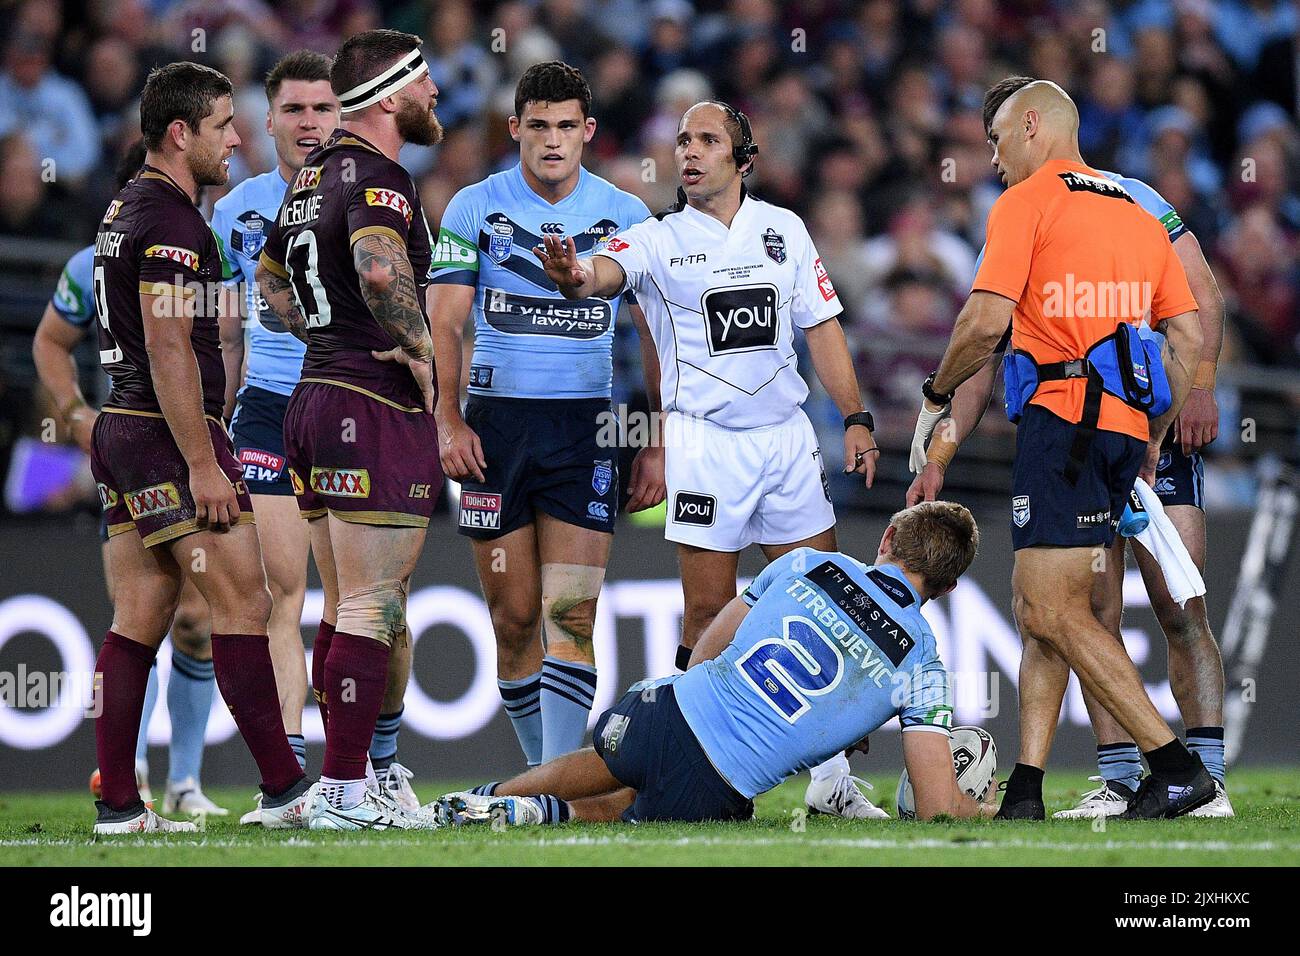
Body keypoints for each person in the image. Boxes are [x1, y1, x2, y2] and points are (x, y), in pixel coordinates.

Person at [534, 101, 887, 819]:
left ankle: (832, 785)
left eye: (706, 140)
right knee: (705, 610)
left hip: (786, 440)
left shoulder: (783, 230)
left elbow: (822, 331)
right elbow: (601, 275)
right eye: (682, 141)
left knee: (819, 604)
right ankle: (683, 766)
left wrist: (854, 417)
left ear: (742, 159)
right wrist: (573, 276)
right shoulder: (659, 240)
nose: (688, 153)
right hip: (706, 444)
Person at [908, 76, 1232, 819]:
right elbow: (1185, 330)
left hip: (1063, 425)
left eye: (994, 142)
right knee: (1042, 606)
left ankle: (1177, 767)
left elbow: (984, 327)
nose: (991, 160)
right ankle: (1027, 788)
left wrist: (933, 398)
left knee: (1055, 611)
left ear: (1030, 126)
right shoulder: (1135, 211)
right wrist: (1154, 431)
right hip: (1123, 431)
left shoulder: (1026, 203)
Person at [436, 502, 995, 827]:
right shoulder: (921, 663)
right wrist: (985, 810)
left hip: (660, 705)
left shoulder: (807, 561)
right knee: (627, 805)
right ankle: (529, 816)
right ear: (944, 590)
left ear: (889, 538)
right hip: (718, 777)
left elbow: (712, 641)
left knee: (609, 757)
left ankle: (488, 795)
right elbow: (934, 807)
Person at [89, 62, 314, 834]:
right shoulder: (174, 222)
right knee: (245, 602)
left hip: (121, 433)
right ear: (181, 133)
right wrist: (201, 460)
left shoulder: (127, 207)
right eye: (224, 124)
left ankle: (119, 807)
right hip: (162, 435)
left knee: (141, 615)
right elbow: (169, 347)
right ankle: (286, 791)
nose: (236, 138)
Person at [428, 60, 661, 769]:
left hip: (587, 429)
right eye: (538, 126)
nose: (552, 140)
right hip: (495, 429)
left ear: (588, 132)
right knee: (513, 616)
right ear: (515, 130)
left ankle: (555, 790)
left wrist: (653, 440)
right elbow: (444, 324)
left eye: (566, 126)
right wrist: (448, 417)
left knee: (572, 615)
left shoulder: (626, 215)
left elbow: (658, 335)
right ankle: (543, 775)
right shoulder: (473, 206)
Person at [255, 29, 443, 831]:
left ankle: (353, 777)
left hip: (312, 397)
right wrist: (420, 347)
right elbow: (375, 263)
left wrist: (324, 336)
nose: (437, 96)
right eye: (426, 82)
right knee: (375, 606)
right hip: (369, 402)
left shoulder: (309, 179)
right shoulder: (380, 176)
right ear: (393, 95)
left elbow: (270, 279)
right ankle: (341, 791)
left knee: (345, 604)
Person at [34, 141, 225, 818]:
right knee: (145, 614)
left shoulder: (213, 252)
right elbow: (49, 342)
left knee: (198, 619)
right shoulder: (93, 263)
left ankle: (186, 781)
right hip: (139, 447)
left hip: (190, 446)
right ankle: (131, 775)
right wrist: (76, 416)